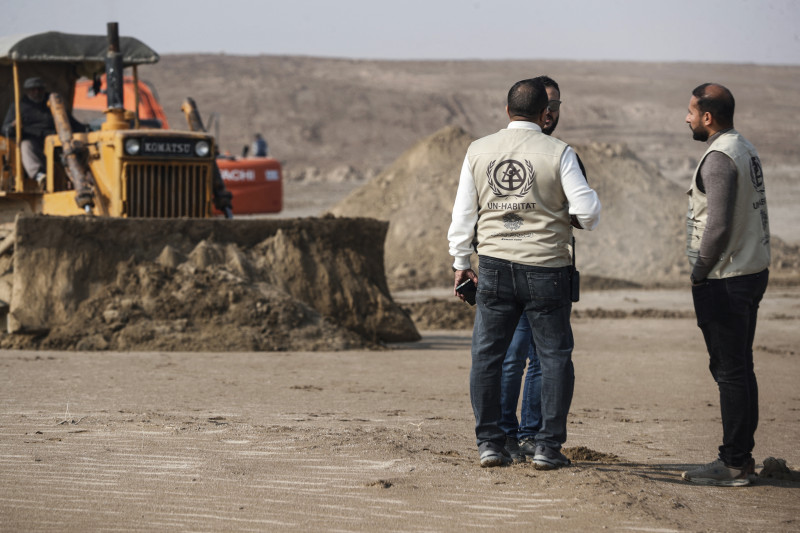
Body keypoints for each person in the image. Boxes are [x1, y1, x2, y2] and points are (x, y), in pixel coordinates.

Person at [448, 78, 601, 468]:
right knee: (553, 358)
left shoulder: (478, 151)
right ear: (544, 113)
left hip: (495, 267)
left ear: (506, 110)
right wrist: (554, 214)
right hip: (546, 269)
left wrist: (461, 263)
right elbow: (589, 212)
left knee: (487, 357)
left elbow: (464, 213)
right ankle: (547, 448)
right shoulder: (559, 152)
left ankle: (491, 444)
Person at [680, 83, 770, 487]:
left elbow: (716, 226)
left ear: (708, 117)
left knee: (730, 371)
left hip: (726, 278)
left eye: (691, 111)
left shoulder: (718, 158)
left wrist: (699, 272)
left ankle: (733, 463)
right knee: (740, 368)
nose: (687, 118)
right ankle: (742, 458)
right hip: (750, 271)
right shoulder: (744, 147)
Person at [500, 75, 562, 462]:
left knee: (539, 357)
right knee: (514, 354)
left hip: (545, 267)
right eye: (547, 104)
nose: (551, 112)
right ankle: (508, 434)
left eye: (556, 105)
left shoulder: (559, 153)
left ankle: (528, 435)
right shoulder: (550, 155)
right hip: (522, 266)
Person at [2, 77, 86, 187]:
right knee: (25, 146)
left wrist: (86, 131)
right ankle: (39, 175)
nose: (36, 92)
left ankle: (80, 178)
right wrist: (13, 126)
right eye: (33, 90)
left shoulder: (53, 104)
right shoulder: (18, 106)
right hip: (34, 141)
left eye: (39, 89)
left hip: (56, 141)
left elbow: (70, 123)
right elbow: (5, 130)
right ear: (27, 91)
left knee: (74, 146)